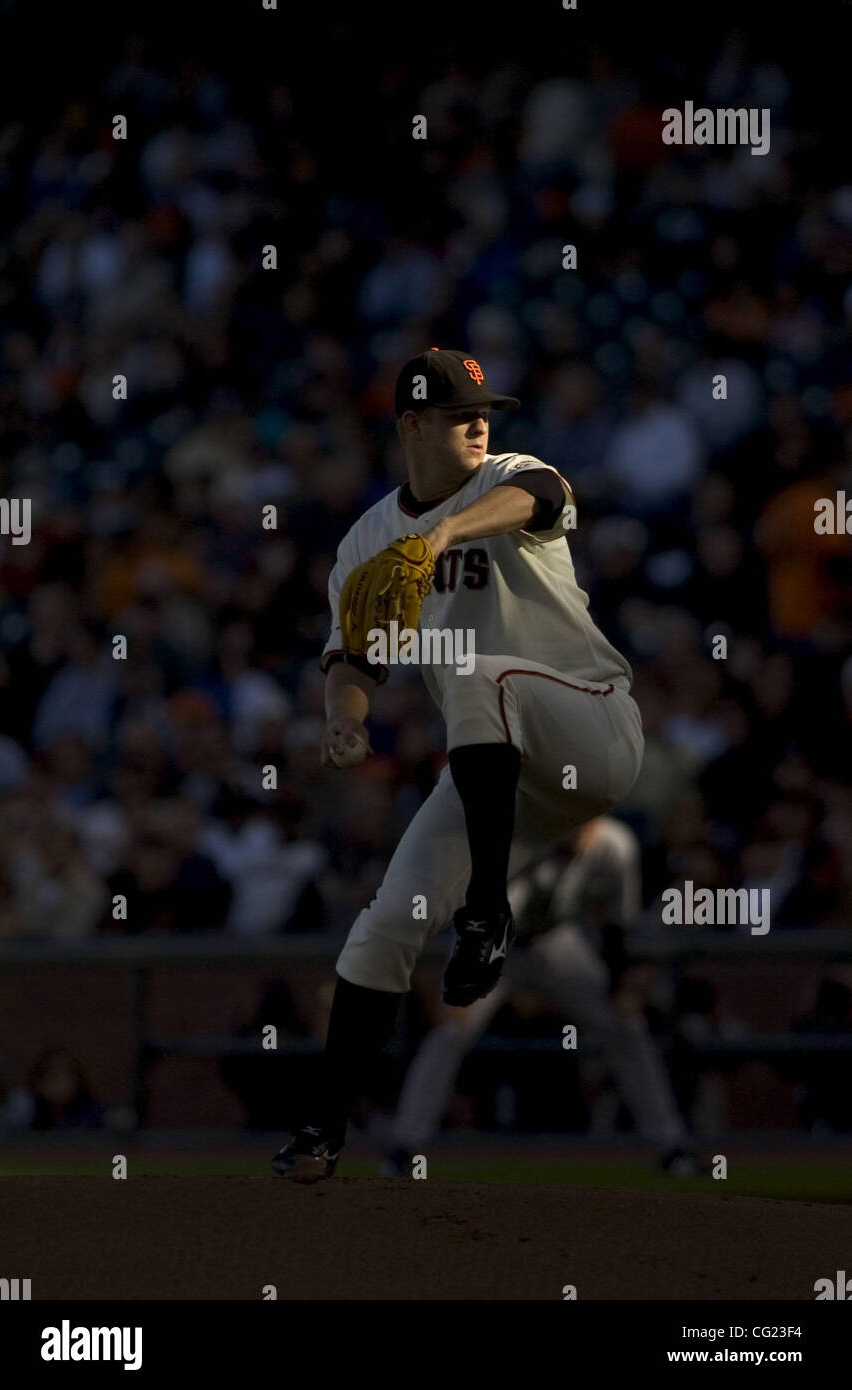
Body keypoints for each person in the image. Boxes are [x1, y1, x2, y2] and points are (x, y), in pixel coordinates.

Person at [274, 349, 644, 1182]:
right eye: (455, 413)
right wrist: (342, 720)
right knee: (382, 926)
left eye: (483, 409)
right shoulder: (368, 537)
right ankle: (322, 1132)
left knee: (480, 671)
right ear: (409, 425)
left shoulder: (509, 473)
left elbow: (540, 497)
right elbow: (355, 659)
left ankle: (485, 914)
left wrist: (440, 531)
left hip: (591, 724)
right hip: (499, 774)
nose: (478, 422)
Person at [379, 817, 703, 1178]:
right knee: (451, 1032)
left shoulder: (615, 846)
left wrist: (620, 987)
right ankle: (403, 1147)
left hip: (556, 943)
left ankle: (672, 1145)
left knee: (626, 1028)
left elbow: (617, 927)